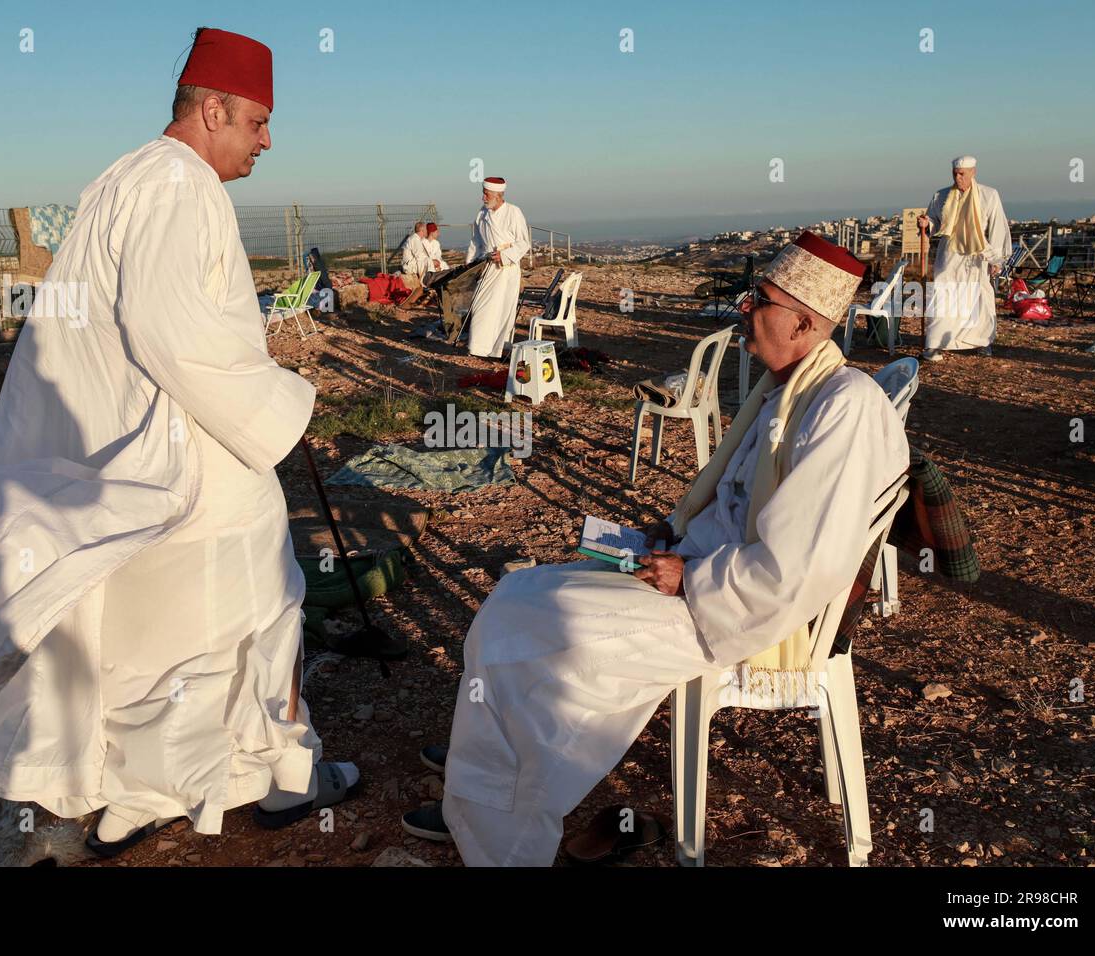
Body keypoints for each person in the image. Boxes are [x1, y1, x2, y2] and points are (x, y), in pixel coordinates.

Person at [0, 26, 356, 858]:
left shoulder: (124, 177)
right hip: (196, 449)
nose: (266, 140)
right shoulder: (183, 189)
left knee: (157, 637)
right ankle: (288, 782)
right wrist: (279, 407)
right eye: (256, 121)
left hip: (131, 458)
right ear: (213, 110)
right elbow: (171, 331)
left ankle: (138, 796)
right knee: (264, 610)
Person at [401, 232, 910, 865]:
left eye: (761, 301)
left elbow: (797, 566)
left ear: (805, 320)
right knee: (520, 595)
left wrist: (690, 577)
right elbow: (734, 503)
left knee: (519, 635)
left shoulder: (844, 407)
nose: (745, 310)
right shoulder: (785, 389)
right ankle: (490, 770)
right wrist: (670, 538)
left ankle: (499, 813)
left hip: (729, 607)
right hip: (699, 574)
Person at [917, 156, 1011, 361]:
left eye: (962, 174)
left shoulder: (989, 195)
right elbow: (934, 220)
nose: (958, 178)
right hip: (949, 255)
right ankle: (935, 344)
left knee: (979, 298)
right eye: (955, 174)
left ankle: (982, 341)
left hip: (977, 256)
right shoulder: (940, 195)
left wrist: (996, 260)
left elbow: (997, 228)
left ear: (973, 172)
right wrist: (927, 223)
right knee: (943, 297)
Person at [464, 177, 530, 358]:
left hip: (506, 269)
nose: (483, 198)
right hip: (487, 267)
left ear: (498, 195)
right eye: (483, 194)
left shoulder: (513, 212)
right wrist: (469, 264)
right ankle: (478, 347)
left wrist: (505, 255)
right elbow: (476, 241)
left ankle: (497, 348)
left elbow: (524, 242)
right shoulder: (481, 214)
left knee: (502, 308)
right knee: (481, 306)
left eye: (486, 194)